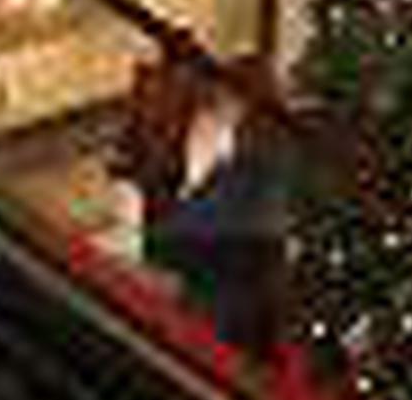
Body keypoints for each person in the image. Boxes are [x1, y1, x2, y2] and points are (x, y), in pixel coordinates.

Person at [151, 76, 293, 362]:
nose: (242, 134)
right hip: (215, 322)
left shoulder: (254, 183)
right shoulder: (241, 178)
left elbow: (170, 245)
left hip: (220, 330)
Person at [112, 42, 209, 256]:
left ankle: (159, 245)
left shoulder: (174, 82)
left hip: (163, 160)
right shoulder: (161, 81)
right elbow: (141, 117)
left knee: (161, 201)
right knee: (160, 201)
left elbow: (175, 122)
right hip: (160, 159)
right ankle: (159, 245)